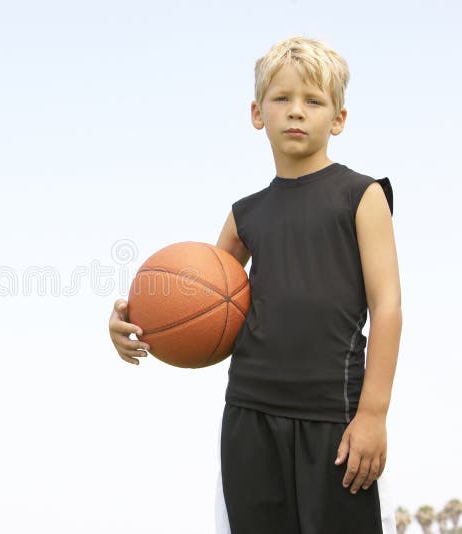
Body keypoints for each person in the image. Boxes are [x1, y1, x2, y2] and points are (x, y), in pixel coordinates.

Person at [108, 35, 402, 534]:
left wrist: (373, 414)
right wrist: (132, 319)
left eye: (313, 101)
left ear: (338, 119)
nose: (296, 111)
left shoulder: (361, 195)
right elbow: (196, 295)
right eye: (282, 99)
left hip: (336, 416)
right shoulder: (246, 214)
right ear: (256, 113)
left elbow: (388, 306)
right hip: (250, 415)